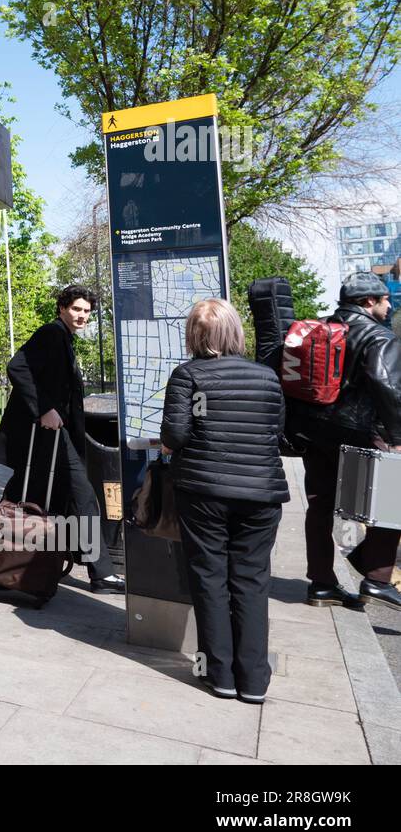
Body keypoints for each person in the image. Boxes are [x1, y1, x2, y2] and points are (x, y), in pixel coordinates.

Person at [160, 298, 289, 703]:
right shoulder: (267, 377)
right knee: (252, 582)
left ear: (195, 335)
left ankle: (219, 675)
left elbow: (175, 436)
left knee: (210, 579)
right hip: (261, 495)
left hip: (204, 493)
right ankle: (254, 682)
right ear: (235, 332)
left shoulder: (188, 376)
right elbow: (277, 433)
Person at [0, 284, 125, 593]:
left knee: (26, 497)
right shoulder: (51, 333)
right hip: (48, 436)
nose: (82, 316)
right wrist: (44, 410)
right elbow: (18, 367)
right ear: (63, 307)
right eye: (76, 309)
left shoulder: (64, 338)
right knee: (83, 497)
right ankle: (101, 573)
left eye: (87, 311)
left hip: (51, 439)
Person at [297, 271, 401, 611]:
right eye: (384, 299)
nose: (388, 305)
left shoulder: (325, 327)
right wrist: (398, 437)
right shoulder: (378, 336)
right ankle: (377, 579)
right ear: (368, 302)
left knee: (320, 506)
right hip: (362, 433)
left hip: (318, 431)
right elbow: (387, 386)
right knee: (391, 504)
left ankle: (322, 584)